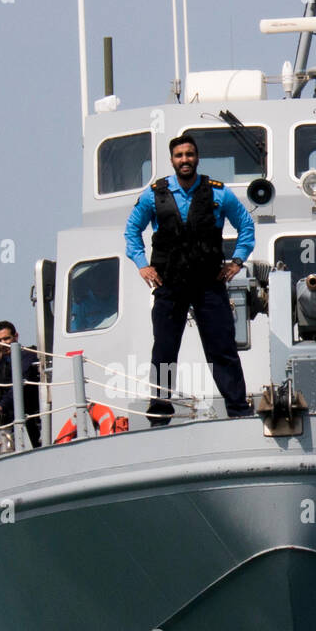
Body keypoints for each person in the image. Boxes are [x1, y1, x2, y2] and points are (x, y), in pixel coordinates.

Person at [124, 133, 253, 424]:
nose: (185, 160)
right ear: (172, 160)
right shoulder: (154, 195)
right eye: (180, 155)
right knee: (165, 351)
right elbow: (132, 232)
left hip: (209, 284)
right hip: (170, 285)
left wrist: (237, 261)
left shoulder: (219, 193)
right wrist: (143, 265)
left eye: (190, 155)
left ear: (197, 157)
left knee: (222, 349)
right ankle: (159, 409)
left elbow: (246, 225)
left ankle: (239, 410)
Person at [0, 320, 43, 448]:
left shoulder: (27, 355)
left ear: (16, 337)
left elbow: (19, 382)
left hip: (34, 417)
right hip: (13, 422)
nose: (3, 343)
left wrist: (1, 405)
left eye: (7, 338)